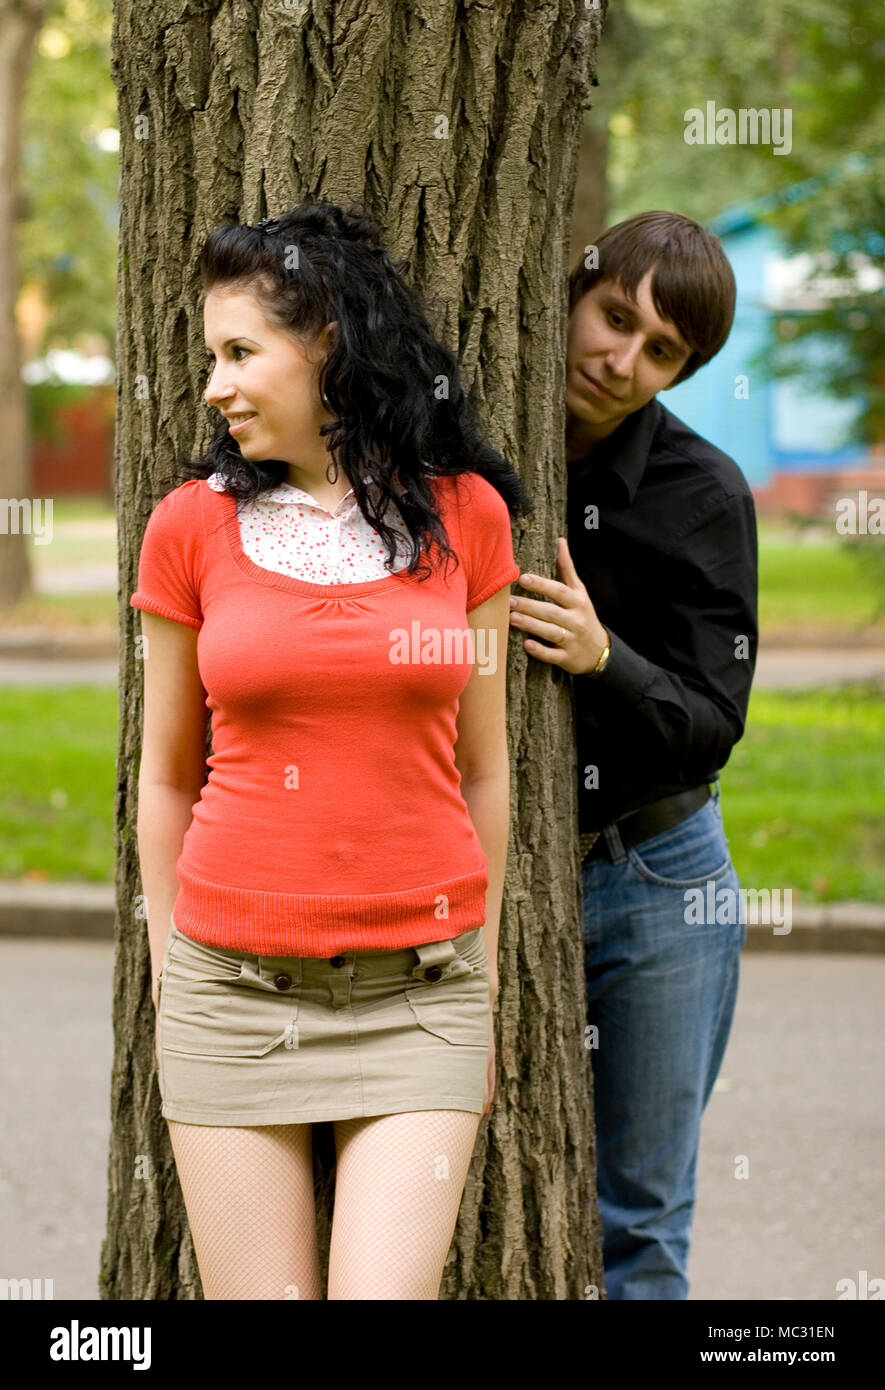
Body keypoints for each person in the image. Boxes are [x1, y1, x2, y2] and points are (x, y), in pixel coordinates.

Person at [130, 201, 532, 1300]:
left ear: (331, 346)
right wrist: (175, 976)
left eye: (240, 351)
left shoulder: (469, 518)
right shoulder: (190, 527)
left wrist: (484, 977)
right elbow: (164, 775)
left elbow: (486, 767)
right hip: (234, 992)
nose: (214, 384)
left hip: (422, 995)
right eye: (211, 355)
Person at [508, 210, 758, 1298]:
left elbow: (716, 718)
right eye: (615, 318)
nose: (621, 361)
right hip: (498, 874)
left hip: (660, 881)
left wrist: (606, 656)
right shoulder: (470, 444)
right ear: (576, 288)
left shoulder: (705, 495)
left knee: (638, 1224)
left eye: (662, 352)